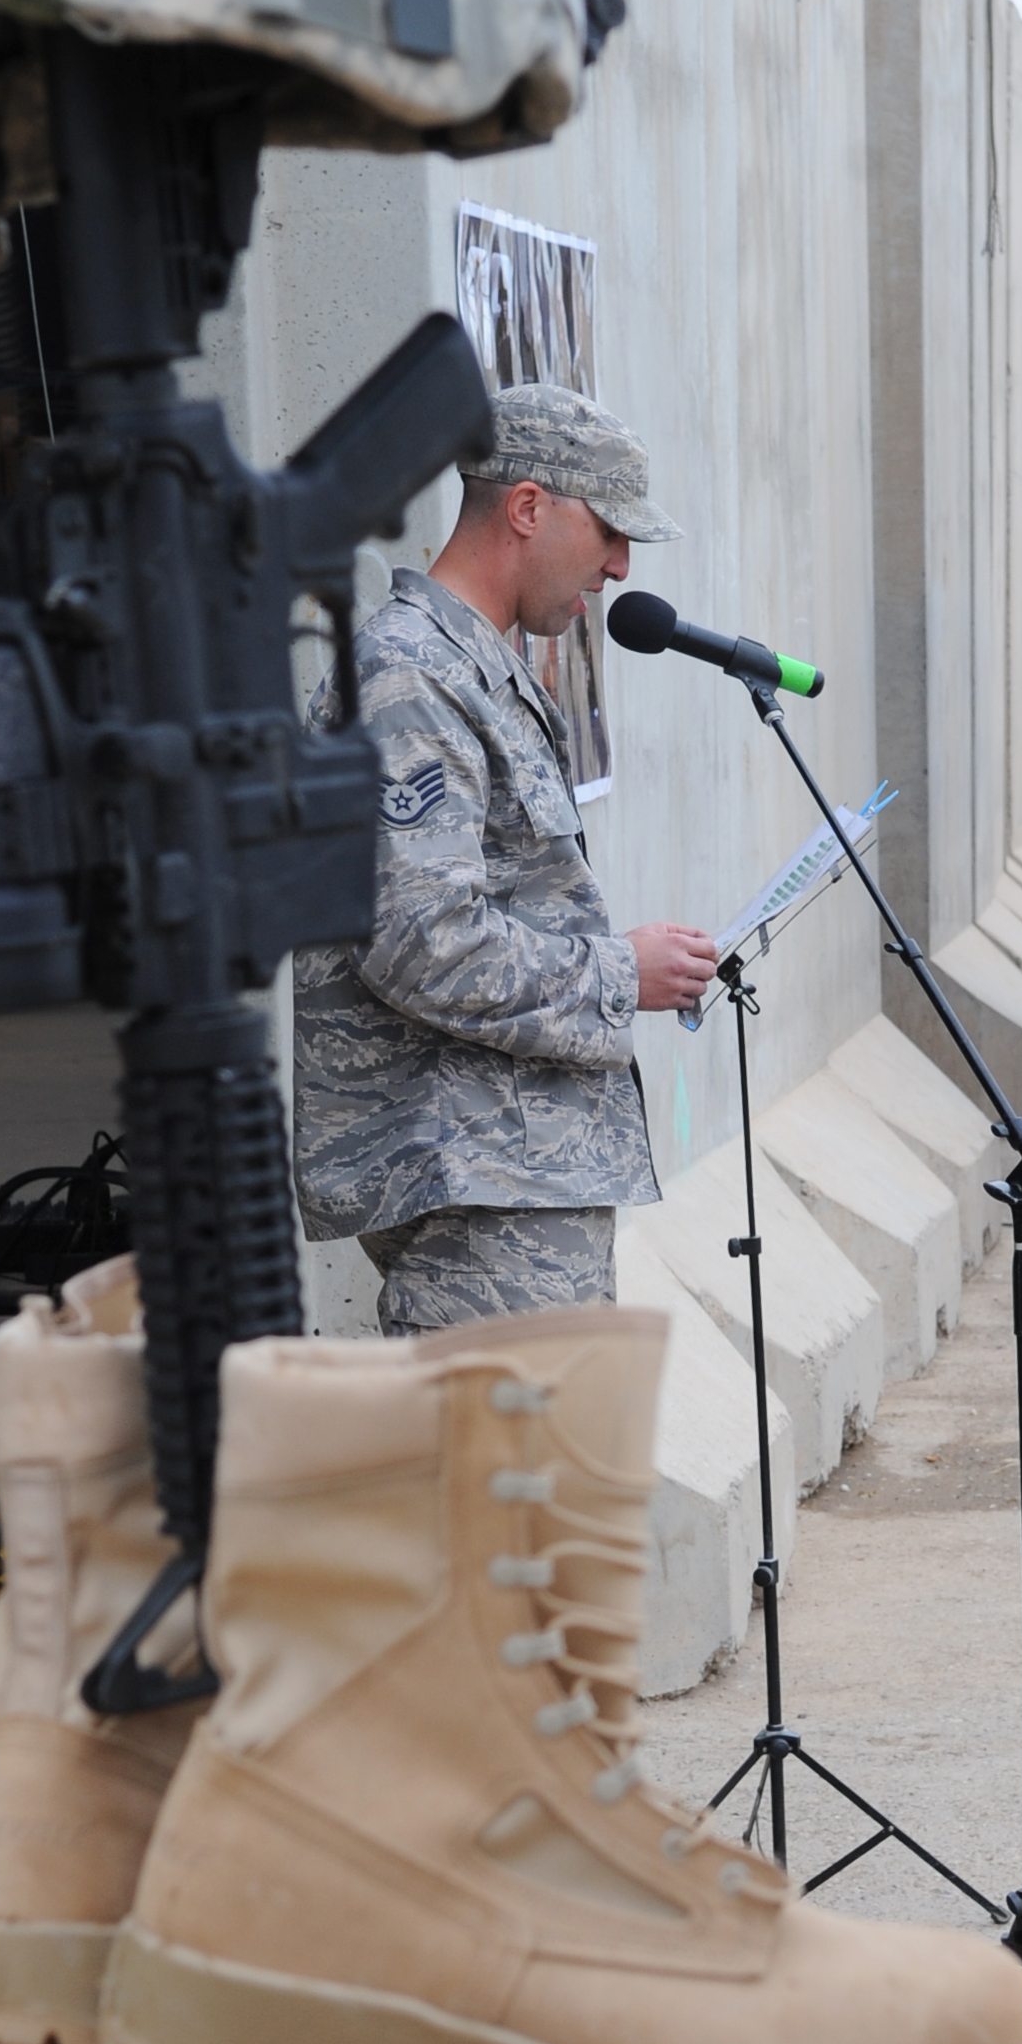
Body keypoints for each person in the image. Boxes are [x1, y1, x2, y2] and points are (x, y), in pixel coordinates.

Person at [293, 380, 718, 1336]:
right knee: (504, 1480)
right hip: (472, 1177)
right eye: (609, 531)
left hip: (510, 1165)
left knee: (533, 1477)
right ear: (528, 507)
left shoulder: (473, 667)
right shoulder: (408, 679)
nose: (616, 566)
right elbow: (419, 940)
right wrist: (621, 973)